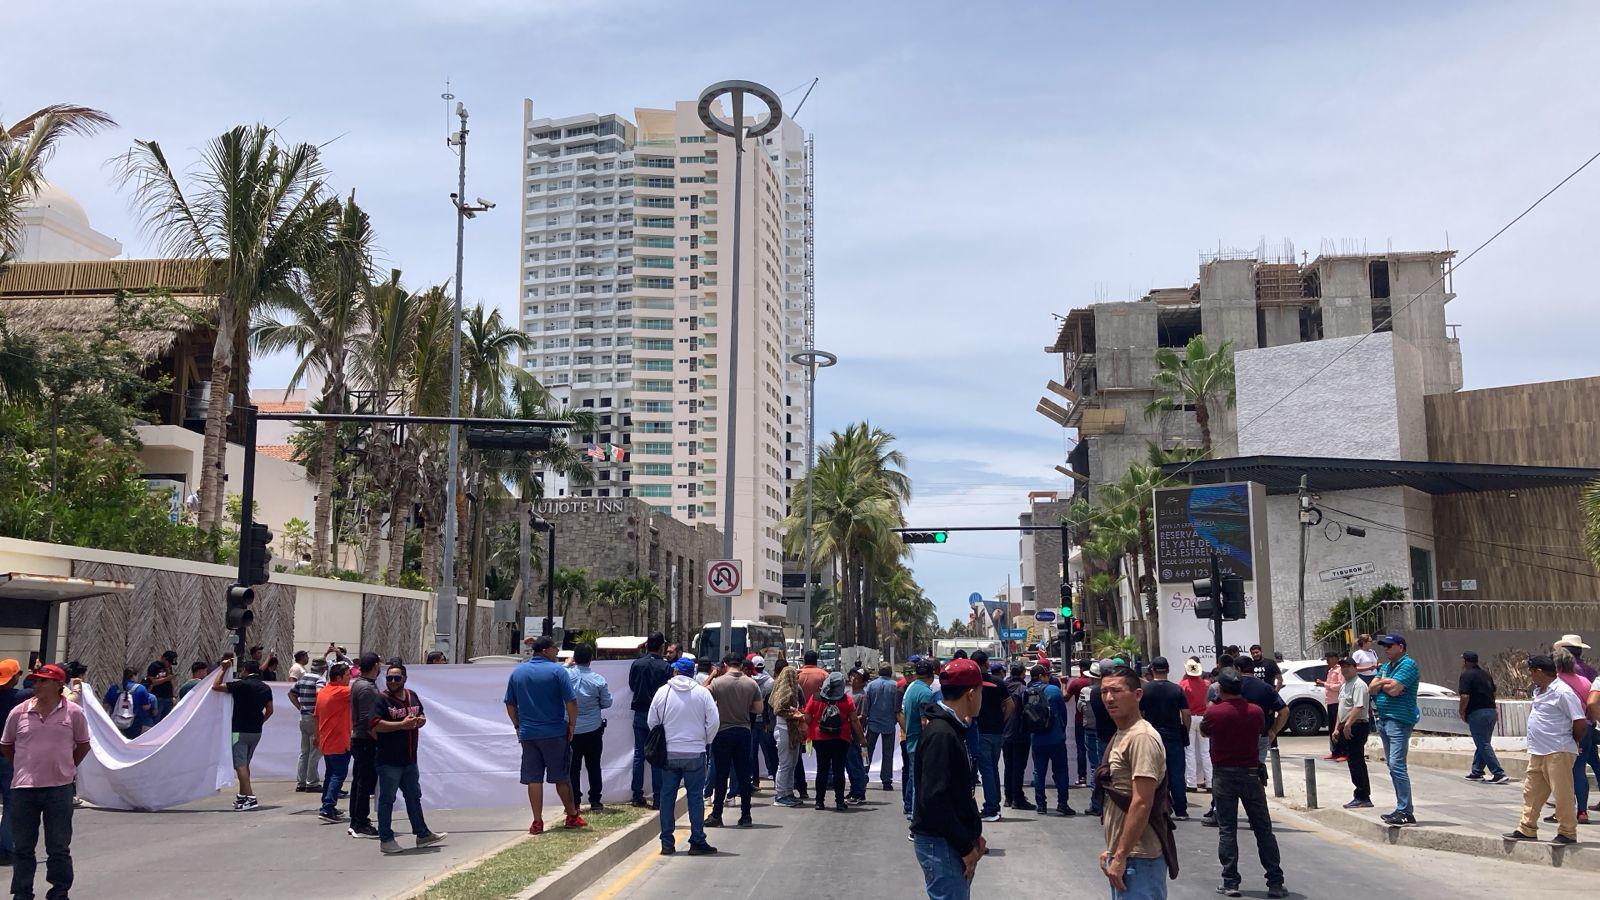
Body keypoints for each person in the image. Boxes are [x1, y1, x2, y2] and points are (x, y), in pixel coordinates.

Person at [0, 664, 88, 900]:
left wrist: (65, 767)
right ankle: (22, 892)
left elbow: (83, 744)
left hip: (58, 788)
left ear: (59, 685)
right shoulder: (19, 712)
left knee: (58, 847)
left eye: (42, 681)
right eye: (35, 681)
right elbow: (7, 745)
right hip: (24, 788)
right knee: (23, 847)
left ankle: (59, 892)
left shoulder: (73, 713)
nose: (36, 685)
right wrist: (24, 766)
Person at [1202, 668, 1286, 898]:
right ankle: (1275, 882)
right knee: (1263, 829)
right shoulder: (1256, 711)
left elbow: (1204, 732)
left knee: (1227, 829)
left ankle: (1230, 882)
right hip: (1250, 774)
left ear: (1221, 689)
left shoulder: (1215, 712)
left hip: (1224, 775)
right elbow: (1260, 729)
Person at [910, 658, 986, 900]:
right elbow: (934, 798)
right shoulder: (942, 734)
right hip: (941, 843)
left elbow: (957, 790)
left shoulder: (952, 728)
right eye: (982, 692)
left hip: (950, 840)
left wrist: (973, 833)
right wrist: (965, 847)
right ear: (972, 694)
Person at [1097, 665, 1171, 900]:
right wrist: (1113, 850)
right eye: (1104, 691)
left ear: (1137, 695)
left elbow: (1142, 802)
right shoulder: (1123, 732)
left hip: (1139, 858)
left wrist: (1120, 855)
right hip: (1126, 854)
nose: (1109, 698)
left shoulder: (1141, 737)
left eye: (1117, 691)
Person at [505, 635, 584, 834]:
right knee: (561, 777)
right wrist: (572, 725)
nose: (558, 652)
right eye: (555, 649)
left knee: (534, 778)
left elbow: (510, 703)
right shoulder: (558, 671)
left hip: (529, 734)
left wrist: (517, 726)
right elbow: (571, 702)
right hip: (555, 732)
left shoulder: (518, 672)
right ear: (546, 650)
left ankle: (537, 821)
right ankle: (572, 815)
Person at [1504, 655, 1586, 845]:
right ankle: (1527, 828)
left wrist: (1570, 742)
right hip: (1538, 751)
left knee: (1562, 793)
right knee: (1531, 792)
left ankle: (1567, 831)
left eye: (1531, 671)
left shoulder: (1563, 692)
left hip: (1558, 750)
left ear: (1539, 671)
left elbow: (1580, 722)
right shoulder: (1539, 691)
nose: (1530, 675)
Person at [648, 655, 719, 856]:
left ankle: (667, 843)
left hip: (669, 752)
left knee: (667, 797)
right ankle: (697, 839)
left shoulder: (663, 692)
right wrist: (704, 740)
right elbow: (713, 722)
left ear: (675, 672)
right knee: (695, 798)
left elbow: (652, 722)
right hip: (695, 752)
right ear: (692, 673)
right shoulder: (702, 693)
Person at [371, 665, 446, 854]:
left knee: (414, 797)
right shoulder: (382, 699)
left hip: (410, 758)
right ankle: (386, 839)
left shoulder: (412, 695)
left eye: (396, 678)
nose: (392, 682)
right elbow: (374, 725)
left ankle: (422, 834)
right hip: (389, 759)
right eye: (389, 678)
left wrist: (420, 720)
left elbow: (421, 713)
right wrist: (400, 725)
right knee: (387, 799)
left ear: (404, 678)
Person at [706, 652, 762, 827]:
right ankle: (746, 815)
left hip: (722, 733)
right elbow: (758, 709)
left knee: (722, 775)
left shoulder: (718, 683)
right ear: (741, 665)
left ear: (724, 664)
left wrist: (712, 675)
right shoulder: (751, 684)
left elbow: (703, 696)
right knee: (743, 774)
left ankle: (717, 815)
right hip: (744, 732)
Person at [1371, 633, 1420, 826]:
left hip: (1399, 720)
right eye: (1385, 646)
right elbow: (1371, 688)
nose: (1386, 649)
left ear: (1401, 647)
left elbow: (1394, 689)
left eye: (1390, 646)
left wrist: (1382, 682)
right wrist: (1384, 683)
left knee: (1397, 764)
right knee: (1392, 766)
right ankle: (1401, 808)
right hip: (1384, 719)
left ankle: (1405, 811)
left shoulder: (1408, 665)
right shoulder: (1386, 666)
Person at [212, 656, 274, 811]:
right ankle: (242, 796)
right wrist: (260, 721)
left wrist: (224, 669)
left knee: (240, 765)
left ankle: (251, 797)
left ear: (245, 671)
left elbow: (216, 686)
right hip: (256, 731)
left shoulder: (241, 685)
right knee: (245, 765)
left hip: (239, 729)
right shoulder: (265, 687)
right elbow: (270, 710)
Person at [1138, 658, 1190, 820]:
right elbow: (1186, 714)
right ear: (1167, 670)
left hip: (1152, 736)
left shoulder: (1145, 690)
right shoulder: (1177, 690)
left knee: (1152, 773)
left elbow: (1140, 713)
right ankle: (1180, 809)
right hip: (1173, 735)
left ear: (1152, 670)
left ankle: (1156, 808)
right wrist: (1184, 731)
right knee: (1176, 773)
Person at [564, 643, 612, 813]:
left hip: (571, 729)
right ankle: (595, 801)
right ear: (591, 659)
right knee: (594, 765)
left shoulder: (565, 676)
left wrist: (565, 664)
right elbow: (607, 702)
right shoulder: (598, 680)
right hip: (593, 728)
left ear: (574, 659)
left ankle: (575, 801)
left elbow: (556, 676)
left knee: (573, 767)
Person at [627, 632, 673, 809]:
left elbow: (632, 685)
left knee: (639, 755)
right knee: (657, 755)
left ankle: (636, 795)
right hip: (659, 716)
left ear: (646, 645)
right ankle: (658, 798)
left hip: (639, 713)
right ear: (661, 647)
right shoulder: (665, 667)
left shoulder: (637, 664)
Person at [1551, 647, 1594, 824]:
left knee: (1561, 772)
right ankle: (1582, 811)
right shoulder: (1585, 681)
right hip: (1585, 728)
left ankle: (1562, 811)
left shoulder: (1556, 682)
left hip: (1563, 731)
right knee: (1580, 769)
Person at [1027, 663, 1075, 816]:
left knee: (1038, 772)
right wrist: (1061, 730)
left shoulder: (1027, 692)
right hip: (1055, 739)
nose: (1049, 677)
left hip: (1037, 739)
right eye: (1047, 675)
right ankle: (1062, 803)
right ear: (1041, 676)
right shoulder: (1054, 690)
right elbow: (1063, 714)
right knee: (1060, 771)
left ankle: (1041, 805)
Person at [806, 672, 858, 812]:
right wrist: (862, 739)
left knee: (822, 770)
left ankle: (819, 802)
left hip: (820, 739)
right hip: (841, 739)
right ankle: (840, 802)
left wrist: (806, 734)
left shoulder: (816, 698)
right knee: (838, 771)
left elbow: (808, 718)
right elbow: (854, 720)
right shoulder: (846, 700)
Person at [346, 652, 384, 838]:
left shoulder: (359, 684)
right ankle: (360, 821)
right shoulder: (367, 689)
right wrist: (380, 739)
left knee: (360, 781)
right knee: (364, 782)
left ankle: (357, 820)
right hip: (365, 741)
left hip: (360, 739)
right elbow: (369, 721)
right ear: (375, 665)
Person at [969, 652, 1010, 822]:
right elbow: (1010, 705)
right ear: (986, 663)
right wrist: (1002, 721)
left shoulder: (973, 683)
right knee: (993, 768)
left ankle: (992, 808)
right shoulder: (998, 682)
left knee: (986, 770)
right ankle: (994, 804)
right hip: (997, 732)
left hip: (982, 731)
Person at [1457, 651, 1506, 784]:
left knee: (1482, 743)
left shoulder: (1466, 675)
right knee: (1483, 742)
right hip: (1491, 711)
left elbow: (1465, 695)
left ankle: (1498, 773)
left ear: (1466, 661)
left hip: (1477, 713)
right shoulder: (1486, 674)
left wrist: (1462, 711)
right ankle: (1477, 771)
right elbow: (1494, 691)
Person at [0, 660, 32, 862]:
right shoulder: (20, 698)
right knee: (12, 804)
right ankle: (5, 849)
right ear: (15, 677)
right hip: (7, 756)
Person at [901, 656, 938, 823]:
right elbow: (925, 721)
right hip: (920, 743)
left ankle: (913, 812)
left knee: (915, 778)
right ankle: (917, 817)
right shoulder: (925, 692)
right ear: (931, 676)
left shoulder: (911, 687)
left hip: (911, 740)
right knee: (920, 783)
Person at [315, 661, 353, 822]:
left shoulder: (324, 692)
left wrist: (316, 737)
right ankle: (327, 807)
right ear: (338, 677)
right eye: (347, 675)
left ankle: (327, 804)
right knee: (338, 774)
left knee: (330, 774)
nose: (350, 678)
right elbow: (363, 690)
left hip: (326, 739)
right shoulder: (341, 692)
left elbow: (316, 716)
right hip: (338, 739)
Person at [1333, 657, 1373, 809]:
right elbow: (1341, 708)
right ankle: (1360, 794)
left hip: (1357, 725)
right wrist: (1337, 728)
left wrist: (1348, 724)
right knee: (1352, 761)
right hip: (1346, 725)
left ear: (1355, 668)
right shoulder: (1345, 685)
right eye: (1342, 667)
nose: (1344, 669)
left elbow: (1359, 707)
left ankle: (1363, 796)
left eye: (1348, 666)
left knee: (1356, 761)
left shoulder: (1359, 685)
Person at [770, 660, 807, 808]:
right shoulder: (785, 691)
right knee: (785, 764)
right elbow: (778, 709)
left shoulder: (792, 690)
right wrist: (794, 714)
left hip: (791, 730)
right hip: (784, 730)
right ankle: (780, 795)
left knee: (792, 763)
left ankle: (788, 792)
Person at [288, 656, 327, 793]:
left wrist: (300, 707)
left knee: (304, 751)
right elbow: (320, 693)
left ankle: (301, 782)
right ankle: (312, 782)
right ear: (324, 669)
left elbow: (291, 694)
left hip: (303, 716)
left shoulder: (303, 678)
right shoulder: (320, 679)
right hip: (314, 718)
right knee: (315, 751)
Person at [1002, 661, 1036, 810]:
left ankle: (1008, 797)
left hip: (1005, 732)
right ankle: (1017, 797)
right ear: (1022, 673)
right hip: (1020, 732)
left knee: (1008, 765)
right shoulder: (1024, 689)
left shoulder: (1004, 687)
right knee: (1018, 767)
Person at [863, 662, 900, 792]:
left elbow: (866, 704)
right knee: (887, 753)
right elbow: (897, 706)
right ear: (890, 673)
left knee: (867, 752)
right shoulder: (895, 686)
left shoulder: (871, 685)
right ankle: (886, 780)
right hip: (889, 723)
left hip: (873, 723)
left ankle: (863, 775)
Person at [1179, 658, 1211, 793]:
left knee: (1189, 751)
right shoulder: (1207, 684)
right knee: (1205, 752)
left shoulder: (1183, 684)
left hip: (1189, 718)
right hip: (1203, 717)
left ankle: (1191, 782)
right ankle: (1209, 781)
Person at [102, 667, 156, 739]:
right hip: (134, 723)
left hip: (115, 723)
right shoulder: (141, 688)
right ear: (133, 676)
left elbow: (105, 705)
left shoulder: (114, 688)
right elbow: (145, 707)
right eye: (137, 676)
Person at [749, 655, 777, 789]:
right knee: (770, 750)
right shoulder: (771, 682)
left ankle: (755, 780)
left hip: (752, 720)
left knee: (752, 753)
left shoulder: (749, 681)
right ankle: (775, 777)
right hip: (766, 721)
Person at [1314, 651, 1346, 761]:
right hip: (1330, 702)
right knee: (1332, 727)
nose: (1327, 661)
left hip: (1338, 702)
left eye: (1329, 658)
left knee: (1339, 727)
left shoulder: (1340, 670)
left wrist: (1324, 684)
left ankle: (1343, 752)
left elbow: (1340, 686)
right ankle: (1335, 751)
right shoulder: (1330, 670)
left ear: (1335, 658)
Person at [1067, 660, 1094, 786]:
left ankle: (1082, 776)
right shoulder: (1096, 683)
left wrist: (1063, 684)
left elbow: (1065, 698)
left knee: (1081, 749)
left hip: (1080, 720)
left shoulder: (1076, 683)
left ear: (1081, 668)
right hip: (1097, 721)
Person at [145, 651, 178, 722]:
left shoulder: (169, 668)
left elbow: (171, 683)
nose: (169, 665)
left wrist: (174, 696)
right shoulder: (154, 666)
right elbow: (152, 682)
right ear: (163, 658)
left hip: (168, 698)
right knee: (156, 721)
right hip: (158, 698)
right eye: (168, 662)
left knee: (166, 721)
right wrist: (166, 679)